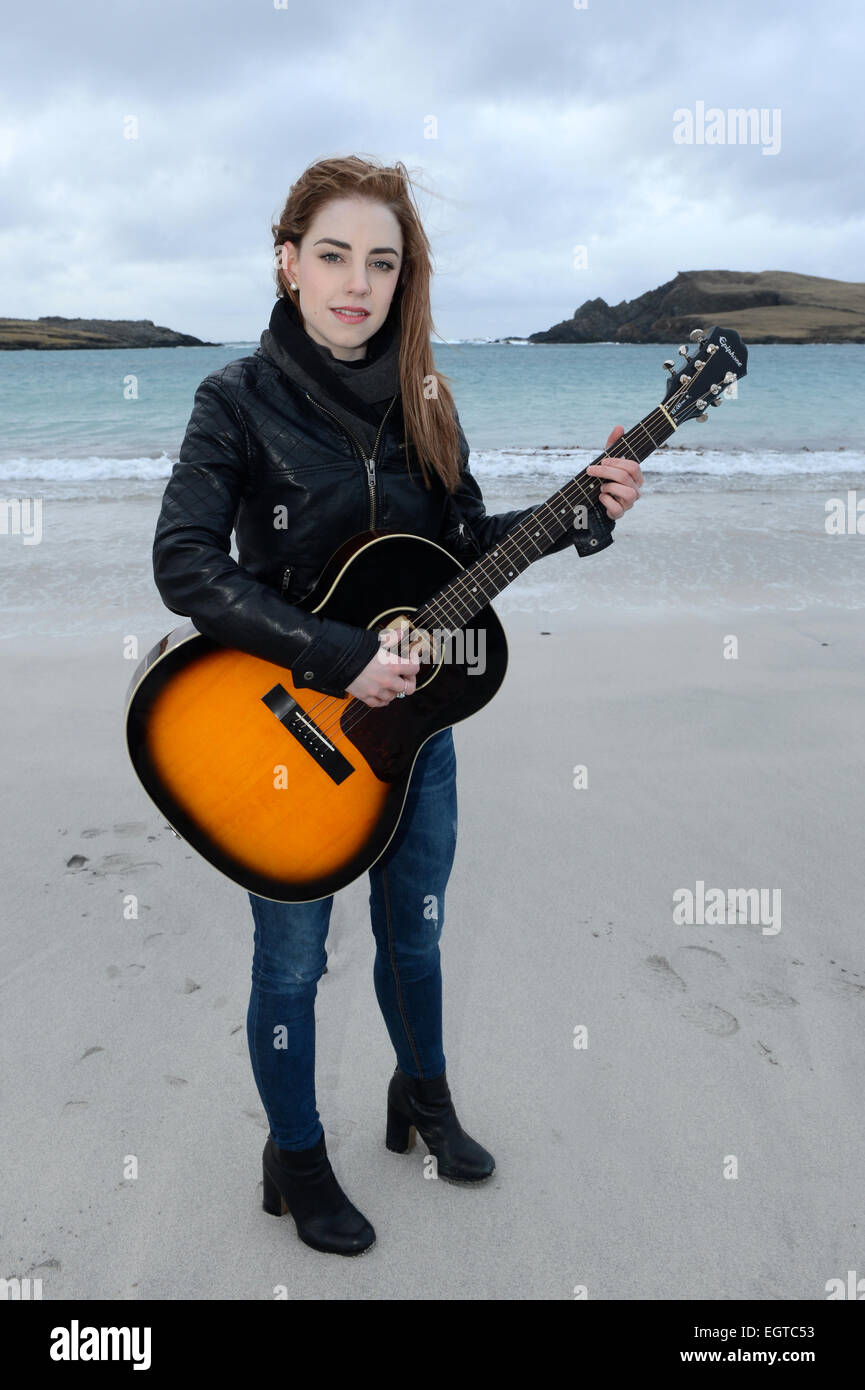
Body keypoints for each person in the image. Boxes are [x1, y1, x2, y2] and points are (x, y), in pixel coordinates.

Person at [152, 154, 642, 1258]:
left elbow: (461, 542)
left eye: (382, 261)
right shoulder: (233, 399)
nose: (356, 282)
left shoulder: (426, 394)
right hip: (288, 732)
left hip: (415, 732)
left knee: (414, 934)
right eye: (332, 255)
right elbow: (186, 566)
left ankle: (420, 1099)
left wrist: (581, 510)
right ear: (288, 263)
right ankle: (297, 1156)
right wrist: (337, 655)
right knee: (289, 963)